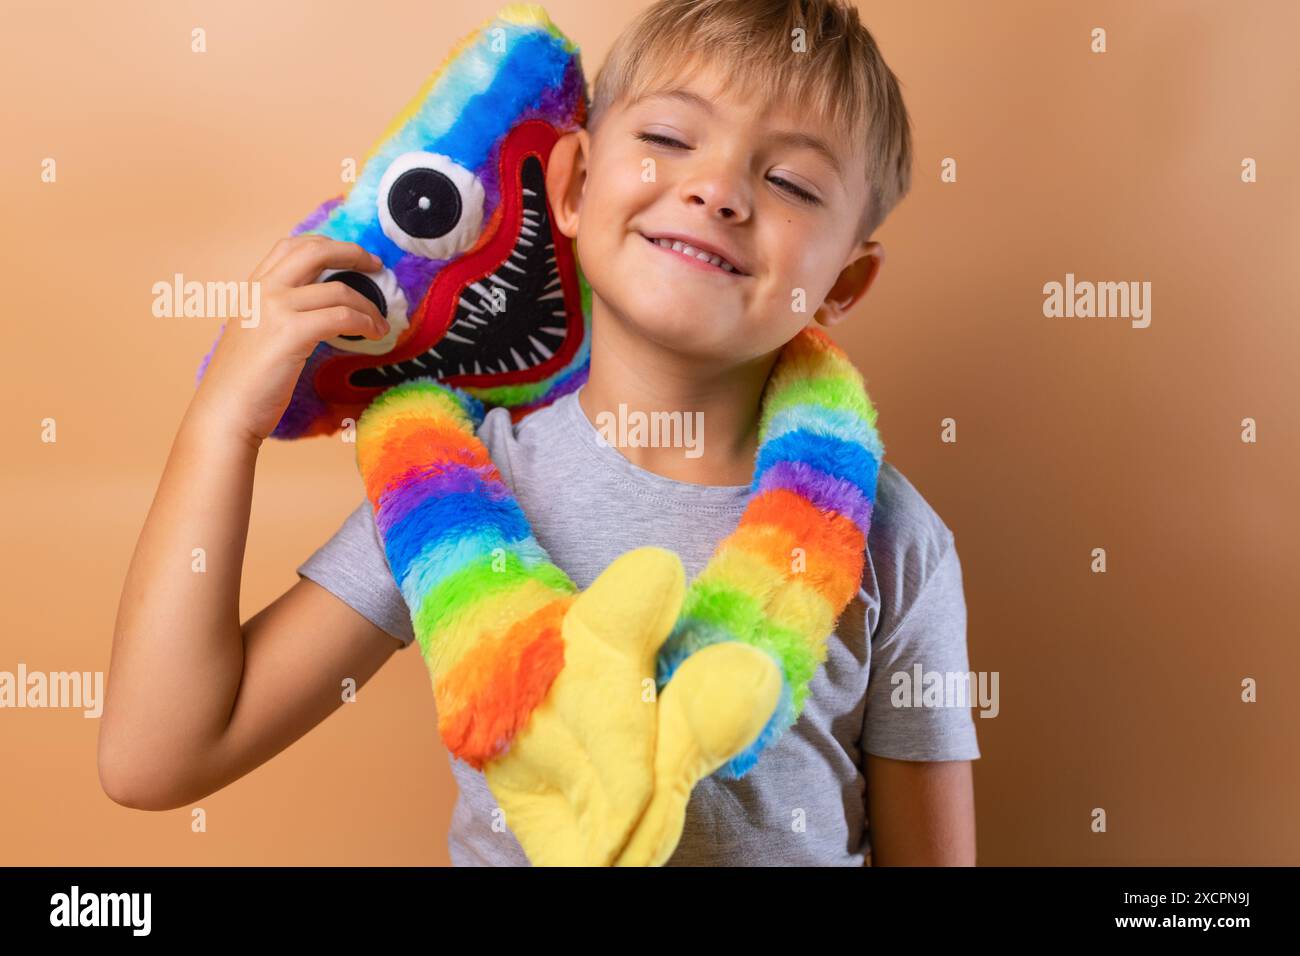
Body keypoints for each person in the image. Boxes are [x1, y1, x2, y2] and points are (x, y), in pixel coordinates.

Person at [101, 0, 979, 866]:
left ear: (844, 284)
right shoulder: (453, 493)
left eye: (790, 182)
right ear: (573, 185)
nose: (718, 189)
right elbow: (156, 756)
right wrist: (221, 427)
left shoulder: (894, 544)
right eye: (670, 139)